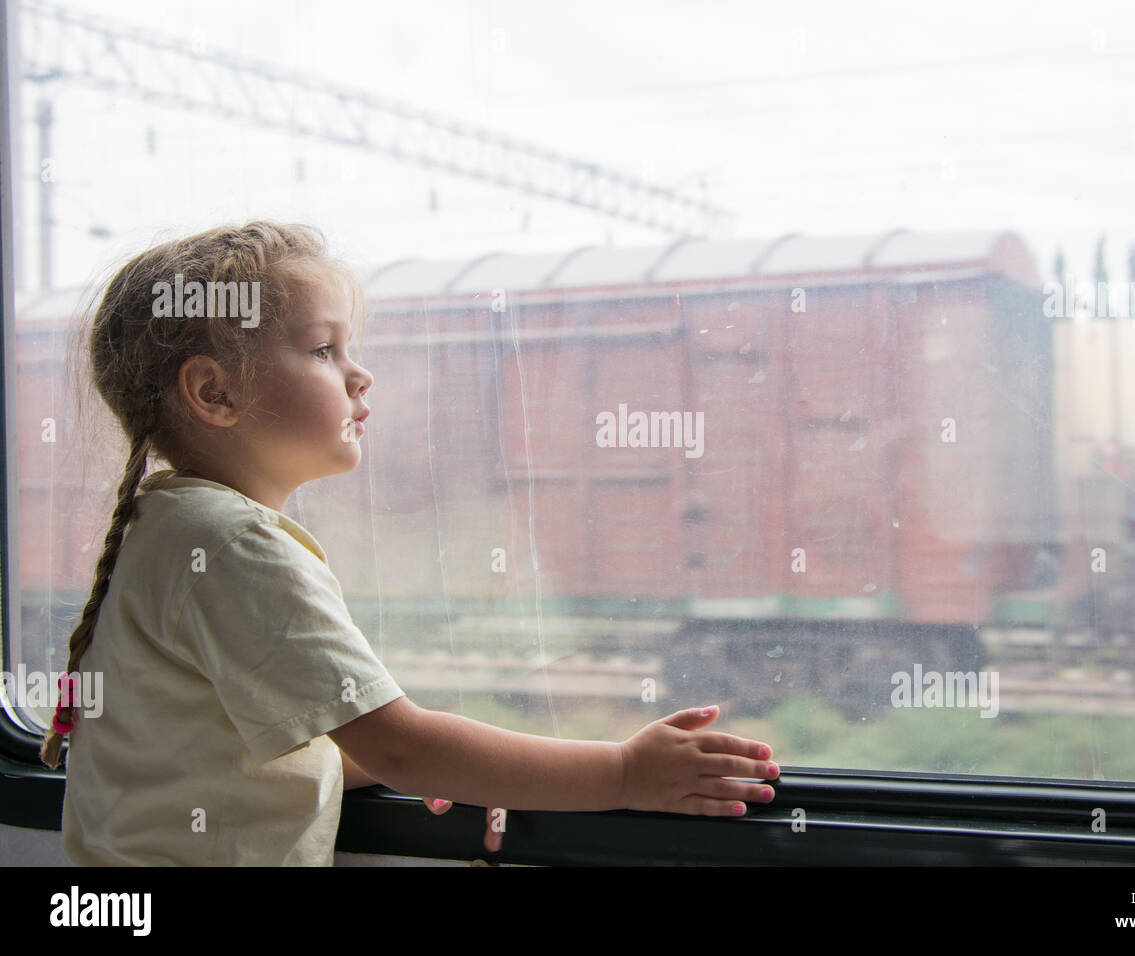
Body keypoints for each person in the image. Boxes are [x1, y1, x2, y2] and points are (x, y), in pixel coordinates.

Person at [44, 220, 778, 865]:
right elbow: (400, 743)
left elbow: (284, 753)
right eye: (324, 349)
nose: (361, 374)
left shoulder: (166, 525)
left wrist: (475, 773)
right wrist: (624, 773)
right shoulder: (233, 544)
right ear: (215, 393)